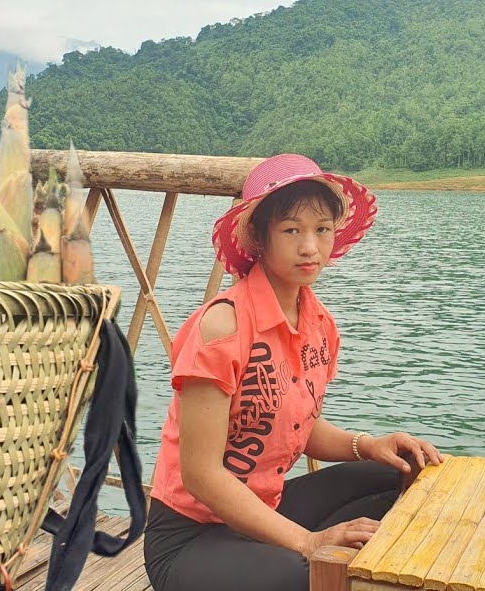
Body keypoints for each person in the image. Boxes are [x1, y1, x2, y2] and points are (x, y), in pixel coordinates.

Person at [143, 154, 445, 591]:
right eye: (291, 230)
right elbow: (200, 475)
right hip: (191, 536)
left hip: (266, 508)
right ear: (260, 238)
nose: (310, 247)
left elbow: (297, 426)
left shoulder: (318, 324)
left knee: (403, 470)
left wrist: (369, 444)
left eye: (322, 229)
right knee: (310, 575)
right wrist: (309, 542)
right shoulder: (222, 326)